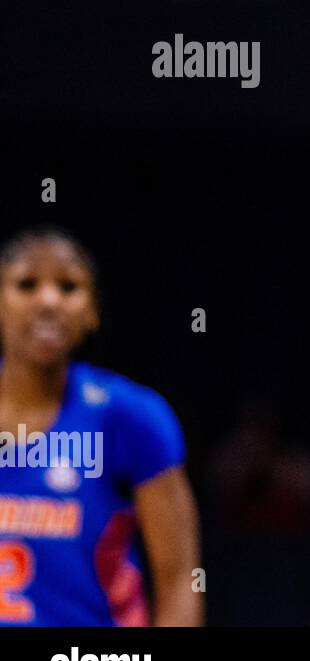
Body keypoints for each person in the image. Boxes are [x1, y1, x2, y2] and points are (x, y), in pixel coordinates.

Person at [0, 226, 203, 626]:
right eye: (26, 284)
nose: (48, 301)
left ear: (92, 311)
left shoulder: (131, 417)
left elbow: (180, 578)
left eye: (69, 286)